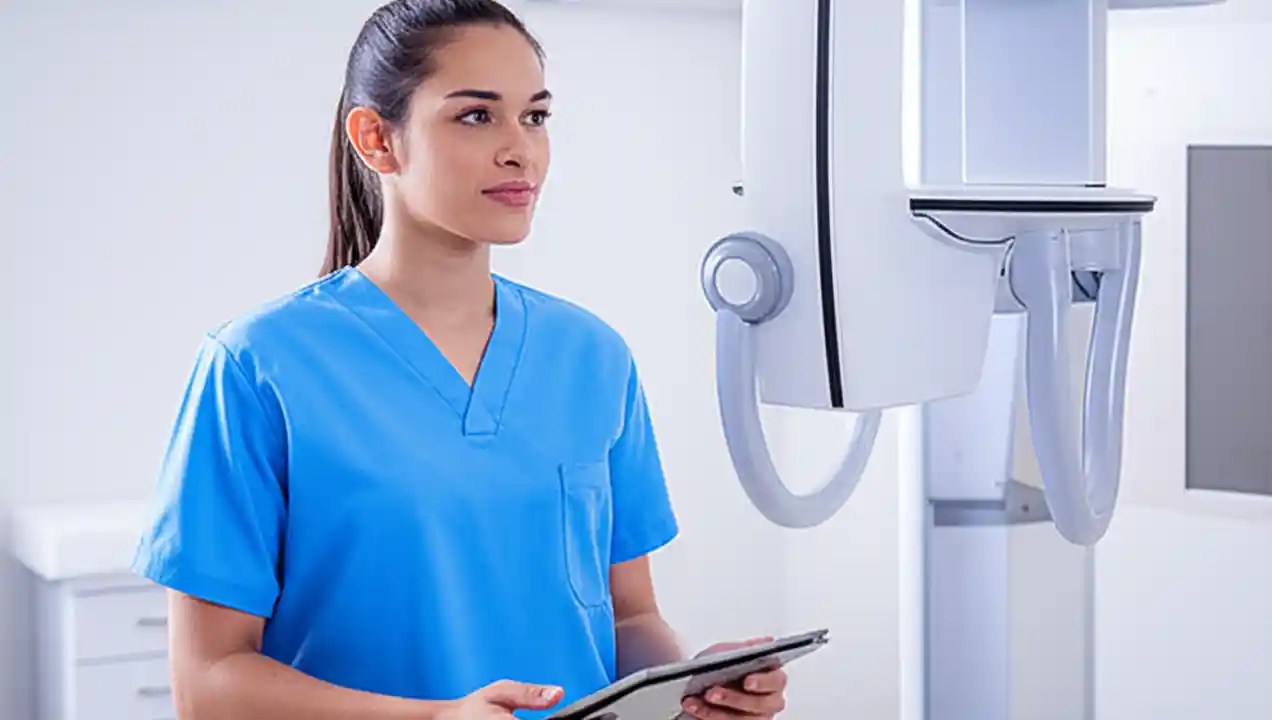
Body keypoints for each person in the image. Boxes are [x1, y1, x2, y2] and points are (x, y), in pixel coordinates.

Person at [130, 1, 790, 718]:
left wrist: (689, 682)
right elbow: (208, 683)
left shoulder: (592, 358)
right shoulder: (257, 368)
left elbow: (629, 621)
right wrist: (436, 719)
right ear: (377, 139)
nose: (521, 150)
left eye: (535, 117)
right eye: (477, 116)